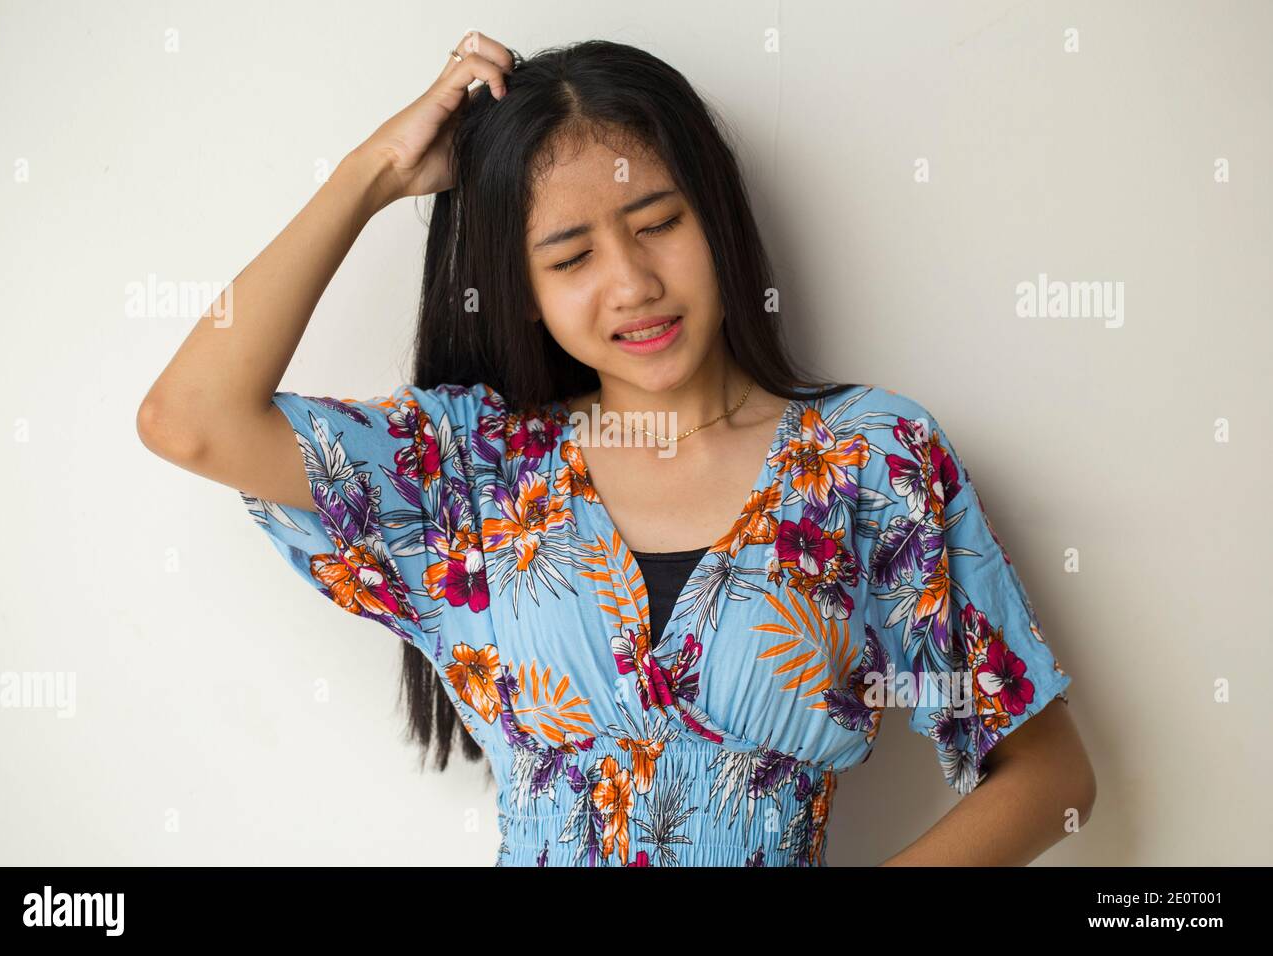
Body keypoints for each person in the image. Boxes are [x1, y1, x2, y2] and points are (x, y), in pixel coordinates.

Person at [137, 33, 1095, 867]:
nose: (632, 283)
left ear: (716, 221)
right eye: (571, 257)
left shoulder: (870, 462)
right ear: (521, 291)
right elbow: (192, 419)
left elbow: (1049, 777)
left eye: (659, 225)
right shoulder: (471, 474)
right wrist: (374, 173)